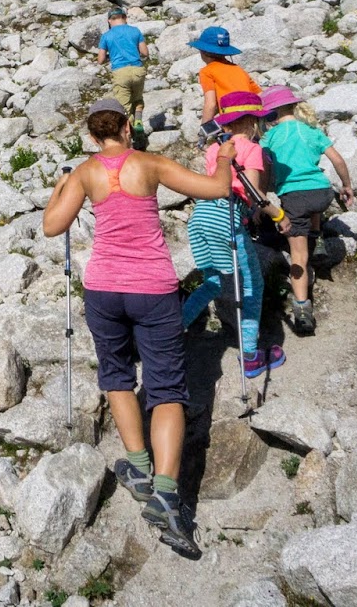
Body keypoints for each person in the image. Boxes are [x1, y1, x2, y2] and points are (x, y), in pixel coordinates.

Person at [42, 98, 238, 558]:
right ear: (128, 128)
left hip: (105, 290)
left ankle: (137, 467)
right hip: (153, 288)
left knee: (116, 376)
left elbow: (53, 226)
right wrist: (226, 160)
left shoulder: (86, 173)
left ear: (93, 137)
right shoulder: (150, 164)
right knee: (167, 387)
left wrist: (60, 188)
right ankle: (167, 495)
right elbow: (215, 189)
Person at [180, 91, 287, 378]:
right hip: (226, 217)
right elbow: (253, 194)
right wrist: (275, 214)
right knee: (253, 286)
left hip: (201, 216)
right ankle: (250, 355)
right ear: (253, 121)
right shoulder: (251, 149)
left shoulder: (215, 149)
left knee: (212, 282)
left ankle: (174, 333)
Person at [259, 85, 353, 336]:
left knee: (299, 257)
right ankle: (317, 236)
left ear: (273, 114)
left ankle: (302, 310)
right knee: (313, 202)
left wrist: (263, 196)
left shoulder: (270, 137)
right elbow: (338, 160)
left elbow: (265, 171)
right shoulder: (311, 130)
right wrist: (346, 185)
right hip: (322, 194)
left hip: (294, 197)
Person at [188, 27, 259, 123]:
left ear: (202, 51)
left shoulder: (207, 71)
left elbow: (211, 104)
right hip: (252, 119)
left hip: (232, 121)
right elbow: (260, 95)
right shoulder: (239, 69)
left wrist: (204, 129)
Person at [95, 9, 149, 133]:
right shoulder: (135, 31)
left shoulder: (107, 36)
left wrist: (111, 55)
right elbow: (145, 53)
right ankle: (139, 121)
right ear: (125, 18)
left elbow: (100, 60)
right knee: (137, 99)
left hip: (120, 72)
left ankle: (130, 134)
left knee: (124, 107)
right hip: (137, 70)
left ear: (109, 20)